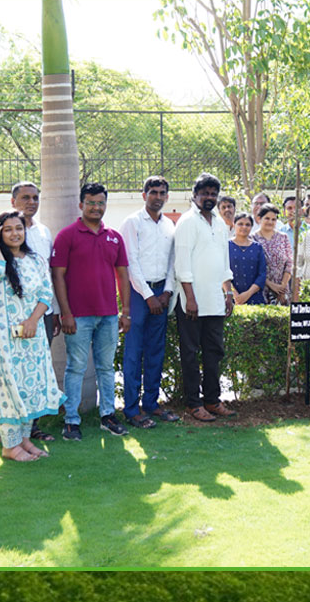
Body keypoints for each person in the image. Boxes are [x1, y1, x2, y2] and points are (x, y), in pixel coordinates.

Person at [50, 183, 133, 440]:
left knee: (106, 367)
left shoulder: (114, 237)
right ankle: (72, 420)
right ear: (81, 205)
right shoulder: (67, 236)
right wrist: (66, 313)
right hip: (78, 316)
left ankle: (108, 416)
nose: (96, 207)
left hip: (108, 315)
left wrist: (125, 311)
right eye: (91, 203)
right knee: (75, 368)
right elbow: (58, 276)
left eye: (100, 203)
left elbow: (122, 275)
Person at [0, 211, 58, 463]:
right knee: (8, 384)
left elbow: (46, 292)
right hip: (1, 334)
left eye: (19, 228)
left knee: (29, 383)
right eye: (8, 229)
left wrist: (34, 320)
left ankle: (24, 439)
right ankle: (9, 445)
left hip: (31, 332)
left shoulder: (35, 259)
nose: (15, 233)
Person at [172, 174, 239, 422]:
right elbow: (182, 265)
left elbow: (224, 263)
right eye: (205, 193)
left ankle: (212, 400)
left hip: (214, 300)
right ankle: (193, 403)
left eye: (213, 193)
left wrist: (228, 292)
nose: (209, 197)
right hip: (191, 302)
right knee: (190, 353)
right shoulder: (188, 222)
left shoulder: (220, 224)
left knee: (214, 352)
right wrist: (190, 298)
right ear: (195, 194)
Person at [119, 176, 179, 429]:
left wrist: (166, 292)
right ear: (143, 195)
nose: (157, 196)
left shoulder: (169, 226)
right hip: (137, 294)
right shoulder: (132, 223)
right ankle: (132, 409)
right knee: (134, 353)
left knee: (156, 351)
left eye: (162, 192)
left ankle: (151, 404)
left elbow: (173, 262)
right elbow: (129, 262)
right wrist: (148, 295)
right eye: (153, 192)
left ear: (167, 196)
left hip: (161, 294)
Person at [255, 204, 294, 305]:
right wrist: (271, 285)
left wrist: (282, 286)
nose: (270, 222)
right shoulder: (252, 239)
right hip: (261, 288)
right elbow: (253, 268)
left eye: (273, 219)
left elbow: (289, 263)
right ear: (259, 219)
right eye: (267, 218)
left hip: (282, 291)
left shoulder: (283, 237)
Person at [228, 212, 268, 306]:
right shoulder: (226, 246)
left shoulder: (257, 247)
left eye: (247, 225)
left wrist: (248, 294)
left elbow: (262, 274)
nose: (244, 227)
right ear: (234, 225)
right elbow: (221, 272)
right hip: (231, 298)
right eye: (240, 224)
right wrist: (235, 295)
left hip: (254, 297)